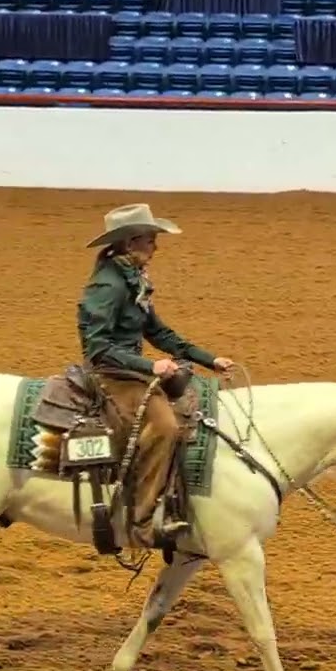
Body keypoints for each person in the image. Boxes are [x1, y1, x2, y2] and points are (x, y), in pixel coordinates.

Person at [76, 203, 235, 551]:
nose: (155, 247)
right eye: (150, 240)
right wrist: (150, 367)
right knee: (164, 426)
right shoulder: (108, 286)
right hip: (111, 373)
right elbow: (97, 348)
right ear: (131, 242)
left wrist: (209, 360)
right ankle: (142, 521)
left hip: (129, 366)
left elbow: (159, 333)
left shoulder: (131, 278)